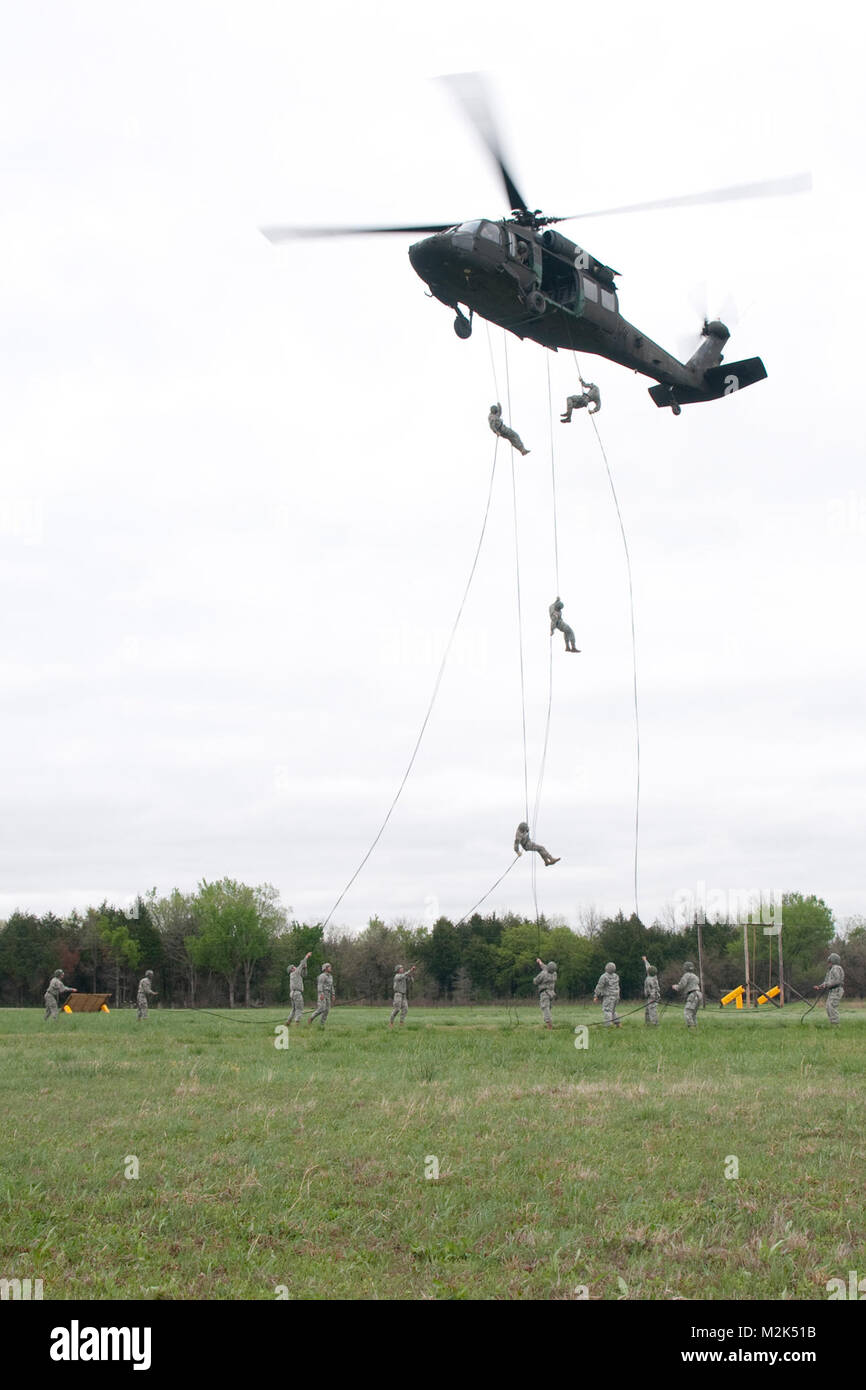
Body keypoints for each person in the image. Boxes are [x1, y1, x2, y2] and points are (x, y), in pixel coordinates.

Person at [814, 952, 845, 1025]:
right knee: (828, 1006)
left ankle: (836, 1024)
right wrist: (819, 986)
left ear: (832, 961)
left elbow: (837, 981)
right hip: (832, 991)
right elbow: (827, 981)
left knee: (831, 1006)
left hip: (837, 991)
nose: (828, 963)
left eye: (829, 961)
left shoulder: (836, 968)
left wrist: (828, 984)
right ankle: (833, 1023)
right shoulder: (830, 970)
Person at [672, 960, 702, 1027]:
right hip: (699, 994)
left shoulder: (686, 975)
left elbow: (682, 985)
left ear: (685, 968)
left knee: (687, 1012)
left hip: (693, 995)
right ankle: (695, 1026)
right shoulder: (695, 976)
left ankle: (691, 1027)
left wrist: (675, 987)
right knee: (693, 1013)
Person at [593, 962, 622, 1027]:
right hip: (616, 996)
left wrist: (596, 996)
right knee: (613, 1010)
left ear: (606, 968)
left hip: (609, 997)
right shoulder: (616, 976)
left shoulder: (604, 976)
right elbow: (618, 986)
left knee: (607, 1010)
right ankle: (618, 1024)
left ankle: (608, 1026)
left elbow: (599, 986)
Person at [288, 952, 312, 1024]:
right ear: (292, 969)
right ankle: (297, 1023)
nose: (295, 967)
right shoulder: (295, 973)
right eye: (294, 967)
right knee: (299, 1009)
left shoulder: (293, 975)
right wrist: (307, 956)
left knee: (294, 1009)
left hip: (292, 993)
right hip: (297, 993)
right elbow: (301, 965)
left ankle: (288, 1021)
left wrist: (305, 967)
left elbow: (304, 974)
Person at [534, 958, 557, 1029]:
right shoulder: (554, 974)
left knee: (545, 1008)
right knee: (548, 1008)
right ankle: (549, 1023)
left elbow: (536, 981)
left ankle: (549, 1025)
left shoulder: (543, 974)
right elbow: (545, 968)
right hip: (551, 993)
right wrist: (540, 962)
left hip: (544, 993)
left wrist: (534, 980)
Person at [642, 955, 660, 1026]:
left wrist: (646, 995)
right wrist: (645, 960)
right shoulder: (655, 977)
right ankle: (648, 1023)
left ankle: (654, 1024)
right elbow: (649, 967)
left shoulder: (648, 979)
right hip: (656, 995)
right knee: (648, 1010)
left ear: (648, 972)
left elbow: (647, 990)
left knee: (652, 1010)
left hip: (651, 997)